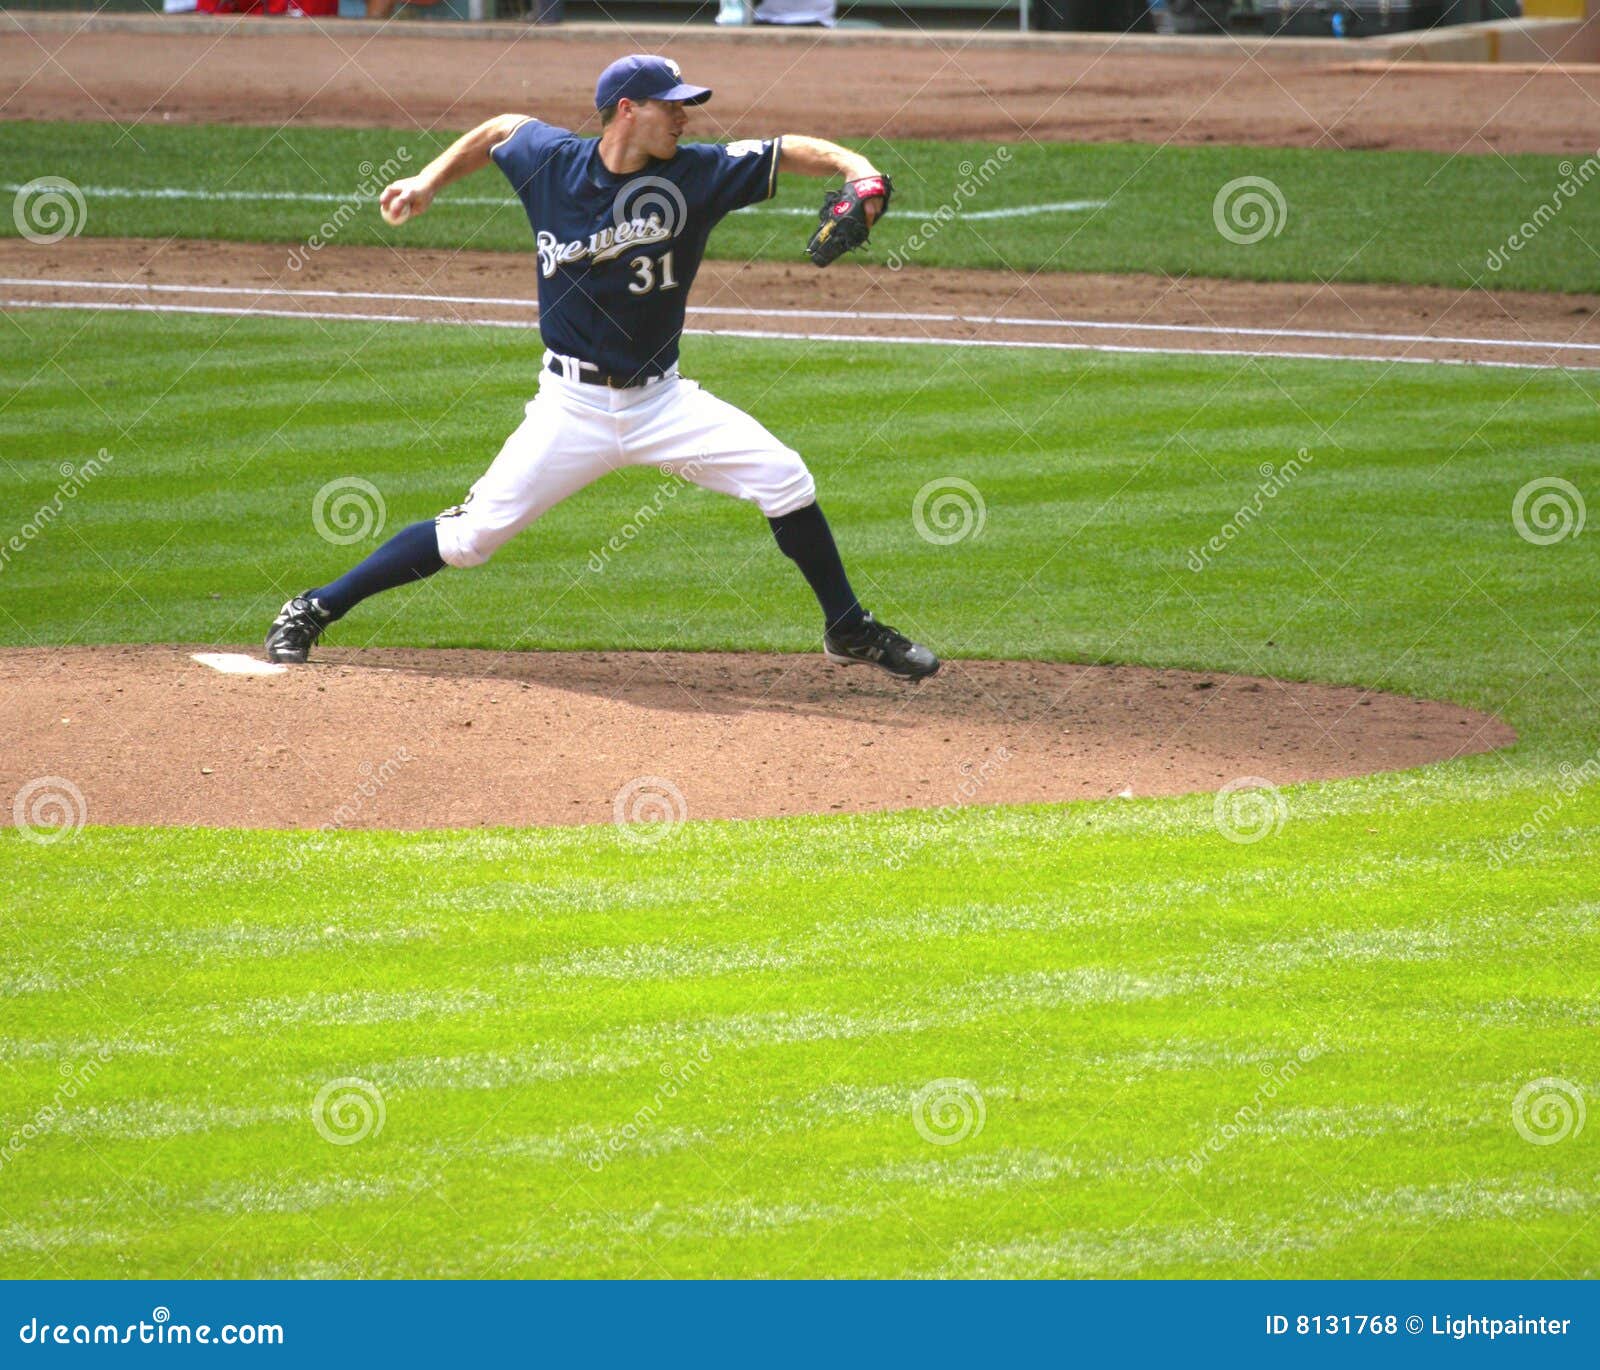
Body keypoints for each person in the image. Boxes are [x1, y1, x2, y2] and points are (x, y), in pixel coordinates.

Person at [266, 54, 939, 680]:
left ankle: (847, 628)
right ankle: (315, 607)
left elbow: (789, 149)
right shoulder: (552, 162)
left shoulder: (698, 173)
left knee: (785, 477)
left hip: (662, 404)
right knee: (470, 539)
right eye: (670, 105)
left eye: (686, 107)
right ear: (627, 109)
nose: (685, 117)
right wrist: (427, 180)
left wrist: (860, 171)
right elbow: (499, 127)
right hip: (570, 408)